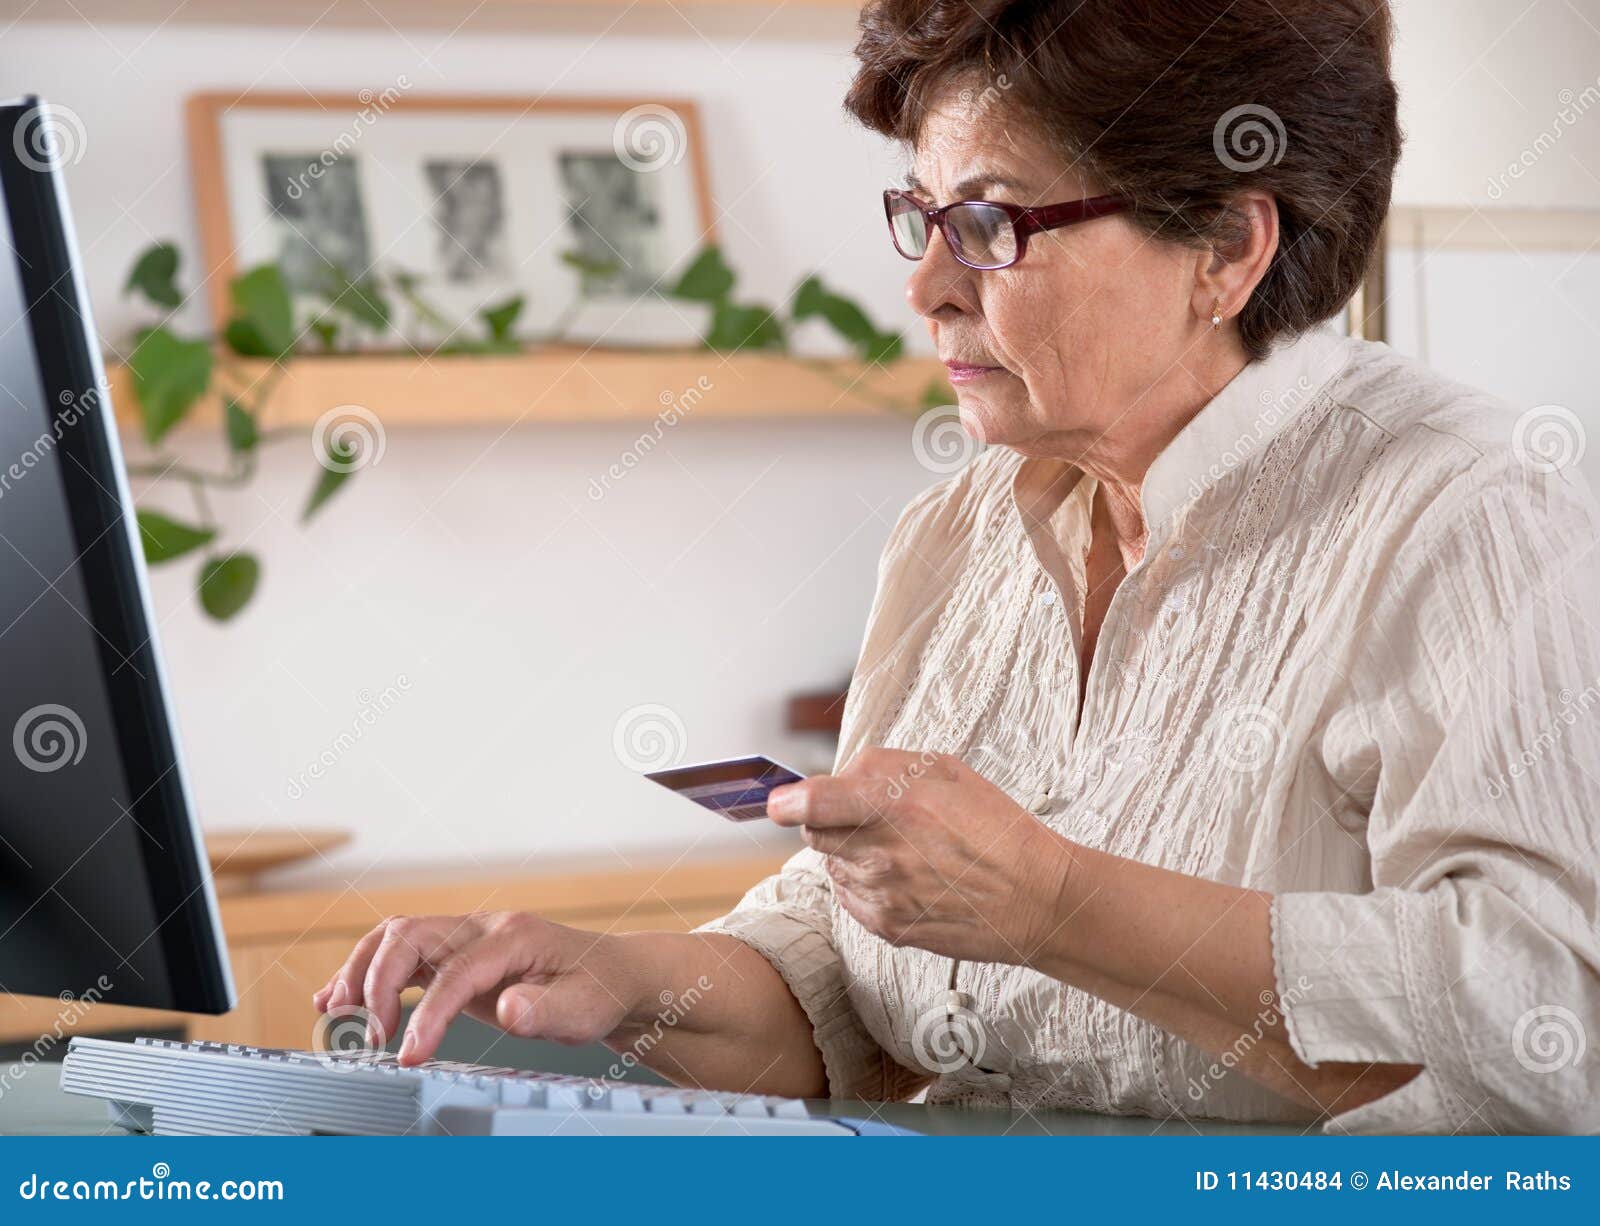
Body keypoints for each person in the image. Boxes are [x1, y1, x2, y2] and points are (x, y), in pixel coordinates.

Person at [315, 0, 1600, 1133]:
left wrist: (1051, 901)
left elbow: (1545, 1023)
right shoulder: (961, 530)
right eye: (921, 218)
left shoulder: (1470, 518)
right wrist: (627, 977)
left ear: (1224, 248)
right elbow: (855, 975)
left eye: (987, 222)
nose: (927, 284)